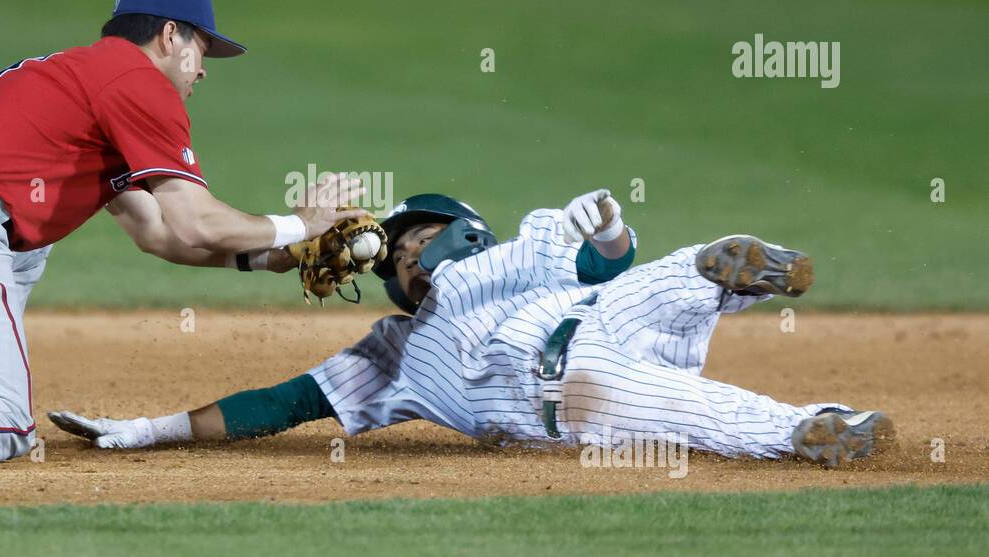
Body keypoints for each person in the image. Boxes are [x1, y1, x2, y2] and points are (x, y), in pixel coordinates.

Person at [0, 0, 363, 468]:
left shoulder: (89, 75)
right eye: (202, 48)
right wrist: (302, 224)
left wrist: (274, 258)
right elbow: (196, 223)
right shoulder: (138, 82)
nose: (202, 68)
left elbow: (157, 233)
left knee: (28, 250)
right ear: (168, 35)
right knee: (6, 424)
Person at [50, 189, 894, 468]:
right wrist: (146, 430)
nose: (403, 262)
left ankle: (724, 268)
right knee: (677, 405)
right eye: (397, 259)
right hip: (572, 388)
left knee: (663, 279)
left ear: (456, 237)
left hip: (599, 314)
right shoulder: (390, 355)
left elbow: (602, 271)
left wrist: (601, 233)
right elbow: (278, 402)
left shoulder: (520, 254)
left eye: (414, 243)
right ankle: (810, 428)